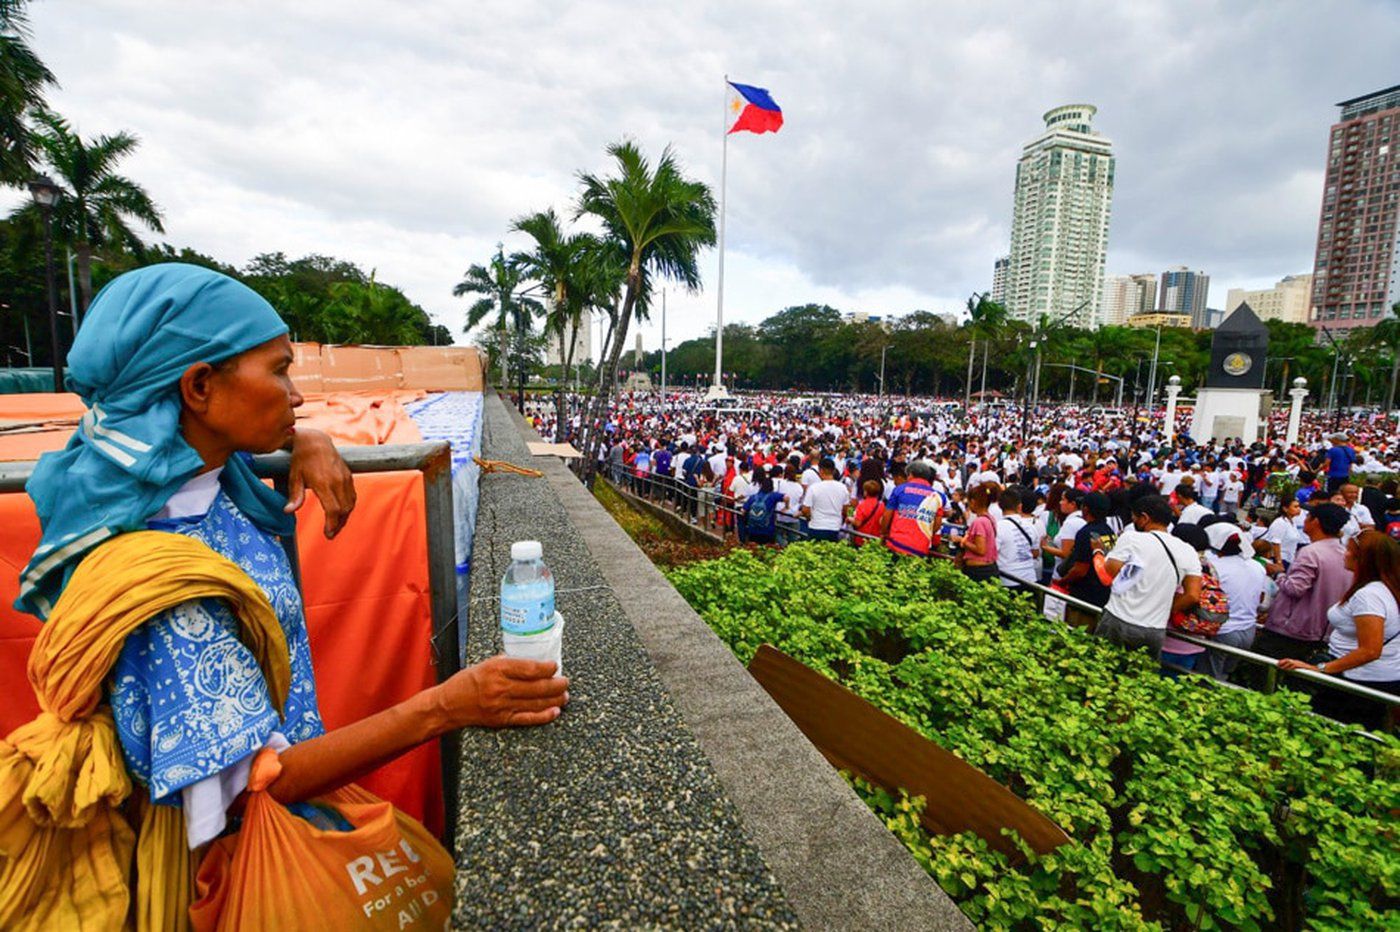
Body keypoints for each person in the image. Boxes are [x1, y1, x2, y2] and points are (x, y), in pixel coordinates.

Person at [7, 265, 569, 921]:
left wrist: (305, 438)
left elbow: (220, 451)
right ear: (199, 387)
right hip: (236, 866)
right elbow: (255, 782)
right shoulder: (164, 582)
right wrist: (445, 707)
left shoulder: (203, 485)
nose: (297, 394)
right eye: (279, 371)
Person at [1280, 530, 1400, 730]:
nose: (1344, 554)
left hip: (1358, 682)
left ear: (1364, 559)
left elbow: (1370, 650)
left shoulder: (1369, 596)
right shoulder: (1382, 589)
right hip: (1370, 677)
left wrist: (1321, 669)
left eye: (1349, 551)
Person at [1090, 494, 1203, 658]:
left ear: (1144, 518)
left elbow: (1110, 572)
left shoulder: (1132, 538)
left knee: (1102, 668)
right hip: (1154, 630)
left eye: (1134, 518)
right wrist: (1163, 609)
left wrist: (1098, 551)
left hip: (1119, 619)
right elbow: (1193, 595)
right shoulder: (1188, 550)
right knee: (1140, 676)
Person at [1255, 502, 1353, 661]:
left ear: (1316, 522)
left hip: (1290, 630)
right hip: (1323, 631)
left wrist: (1279, 575)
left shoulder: (1311, 552)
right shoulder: (1345, 554)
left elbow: (1295, 588)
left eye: (1307, 516)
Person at [1199, 522, 1267, 681]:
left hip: (1223, 631)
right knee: (1224, 677)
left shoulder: (1214, 567)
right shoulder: (1257, 566)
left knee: (1207, 681)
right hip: (1248, 631)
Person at [1059, 491, 1117, 613]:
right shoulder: (1109, 531)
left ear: (1085, 509)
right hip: (1104, 592)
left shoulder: (1085, 533)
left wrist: (1062, 582)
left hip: (1085, 594)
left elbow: (1080, 570)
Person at [881, 460, 943, 558]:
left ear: (910, 474)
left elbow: (886, 515)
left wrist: (884, 533)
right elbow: (937, 524)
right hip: (921, 549)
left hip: (896, 544)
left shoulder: (899, 489)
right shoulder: (938, 497)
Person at [951, 482, 998, 583]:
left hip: (978, 571)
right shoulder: (990, 518)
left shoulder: (979, 522)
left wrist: (962, 541)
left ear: (973, 502)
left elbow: (980, 549)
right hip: (988, 567)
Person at [995, 486, 1040, 591]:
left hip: (1007, 580)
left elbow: (993, 553)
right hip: (1030, 578)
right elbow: (1036, 553)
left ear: (999, 505)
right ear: (1020, 506)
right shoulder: (1031, 526)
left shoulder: (998, 527)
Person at [800, 457, 849, 542]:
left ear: (820, 470)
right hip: (834, 527)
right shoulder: (843, 488)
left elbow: (805, 510)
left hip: (816, 526)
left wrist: (809, 518)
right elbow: (845, 510)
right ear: (833, 470)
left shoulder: (814, 488)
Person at [742, 468, 787, 545]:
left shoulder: (753, 497)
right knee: (767, 549)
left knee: (754, 549)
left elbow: (743, 511)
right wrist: (786, 507)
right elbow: (786, 497)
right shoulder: (773, 496)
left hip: (753, 529)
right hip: (767, 529)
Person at [850, 479, 886, 546]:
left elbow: (858, 523)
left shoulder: (862, 505)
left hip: (861, 538)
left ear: (866, 492)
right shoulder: (882, 505)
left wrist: (849, 519)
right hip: (875, 539)